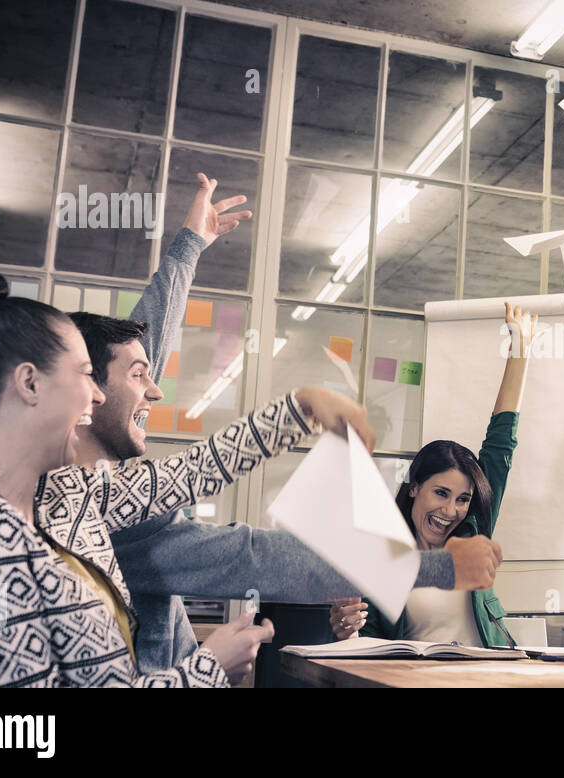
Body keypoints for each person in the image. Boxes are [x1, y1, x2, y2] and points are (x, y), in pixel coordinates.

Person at [65, 173, 501, 674]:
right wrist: (441, 568)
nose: (156, 390)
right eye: (140, 377)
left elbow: (134, 357)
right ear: (85, 392)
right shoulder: (104, 516)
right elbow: (257, 557)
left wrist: (187, 251)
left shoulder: (100, 487)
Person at [0, 271, 367, 687]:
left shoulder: (64, 491)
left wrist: (301, 407)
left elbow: (192, 472)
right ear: (30, 384)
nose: (95, 393)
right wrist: (205, 670)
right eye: (86, 375)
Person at [328, 302, 536, 647]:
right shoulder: (381, 556)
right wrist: (347, 631)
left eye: (463, 499)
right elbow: (366, 642)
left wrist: (521, 351)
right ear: (414, 488)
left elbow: (501, 444)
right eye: (441, 493)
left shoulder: (473, 533)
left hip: (486, 677)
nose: (451, 510)